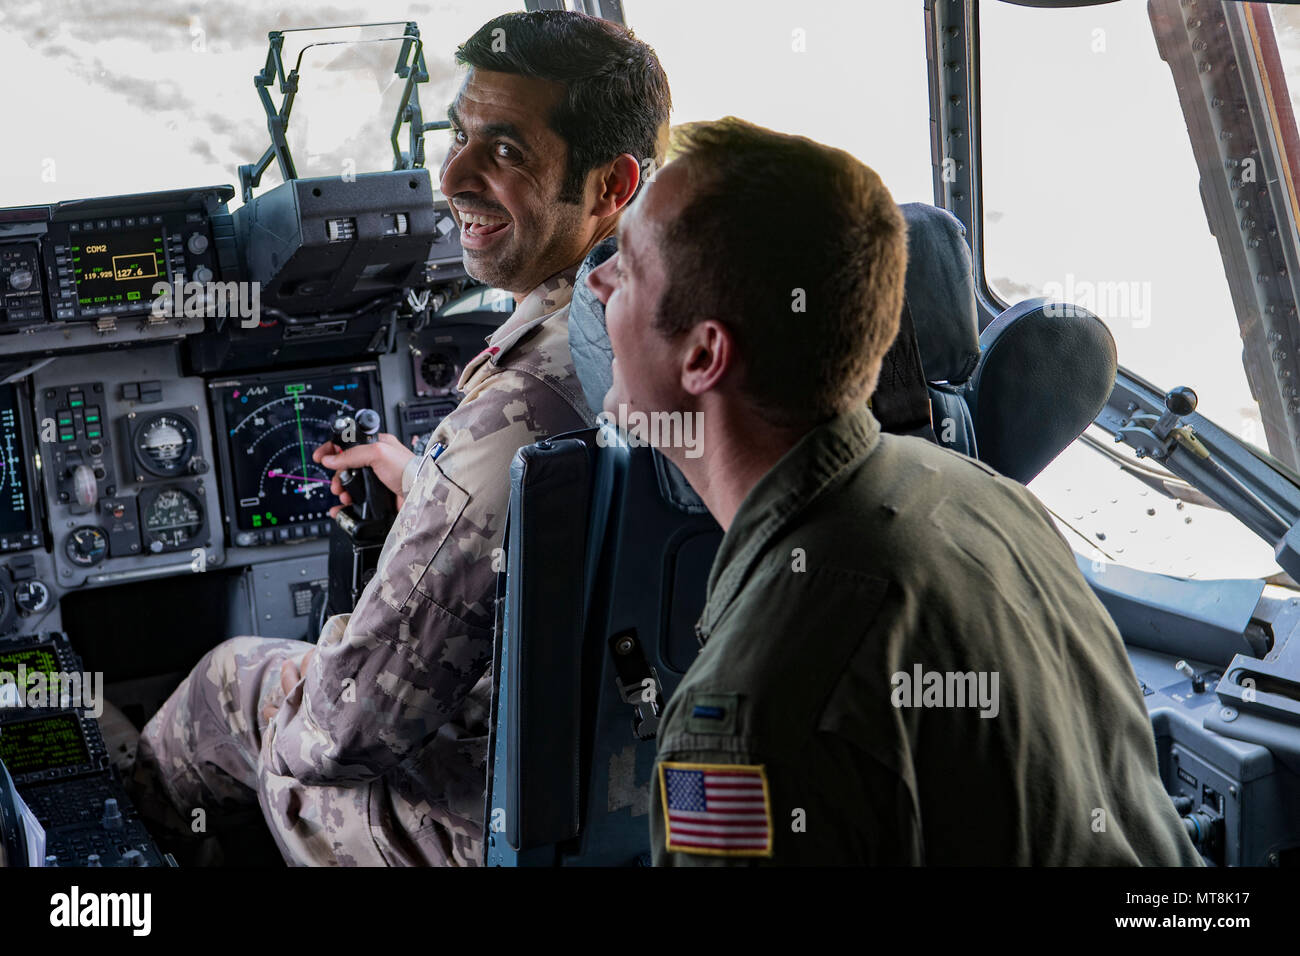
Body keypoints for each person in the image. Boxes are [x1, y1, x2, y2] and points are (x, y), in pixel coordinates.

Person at [130, 9, 670, 866]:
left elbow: (346, 732)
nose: (451, 176)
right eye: (457, 135)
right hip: (627, 791)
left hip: (491, 827)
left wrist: (325, 654)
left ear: (611, 186)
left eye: (505, 150)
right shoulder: (664, 326)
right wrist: (427, 495)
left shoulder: (520, 399)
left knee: (226, 684)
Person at [585, 117, 1202, 866]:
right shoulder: (986, 497)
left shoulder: (743, 720)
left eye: (628, 265)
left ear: (706, 354)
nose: (597, 280)